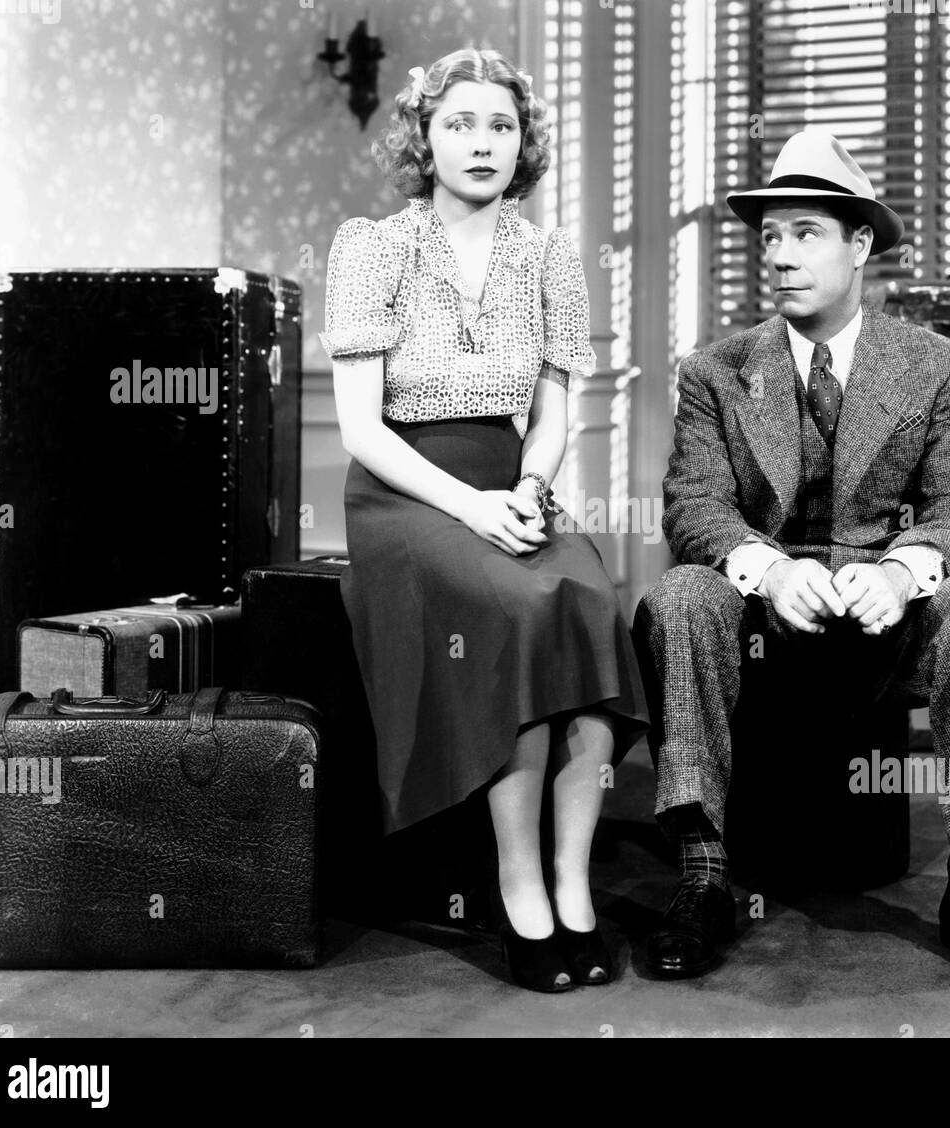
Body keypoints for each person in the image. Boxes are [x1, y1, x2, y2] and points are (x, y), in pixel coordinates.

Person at [633, 129, 950, 990]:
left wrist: (902, 573)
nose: (781, 257)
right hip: (764, 612)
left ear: (860, 245)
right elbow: (696, 507)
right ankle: (704, 874)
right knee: (678, 598)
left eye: (807, 234)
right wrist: (770, 570)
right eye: (771, 237)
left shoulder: (936, 366)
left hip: (886, 618)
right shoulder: (715, 370)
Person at [319, 48, 649, 993]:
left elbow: (548, 415)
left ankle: (572, 885)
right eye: (459, 123)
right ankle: (518, 891)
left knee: (585, 602)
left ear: (523, 144)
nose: (481, 142)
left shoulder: (549, 256)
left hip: (513, 486)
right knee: (514, 612)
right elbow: (359, 427)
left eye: (500, 125)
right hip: (407, 496)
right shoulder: (372, 246)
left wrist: (532, 490)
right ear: (424, 139)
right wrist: (468, 505)